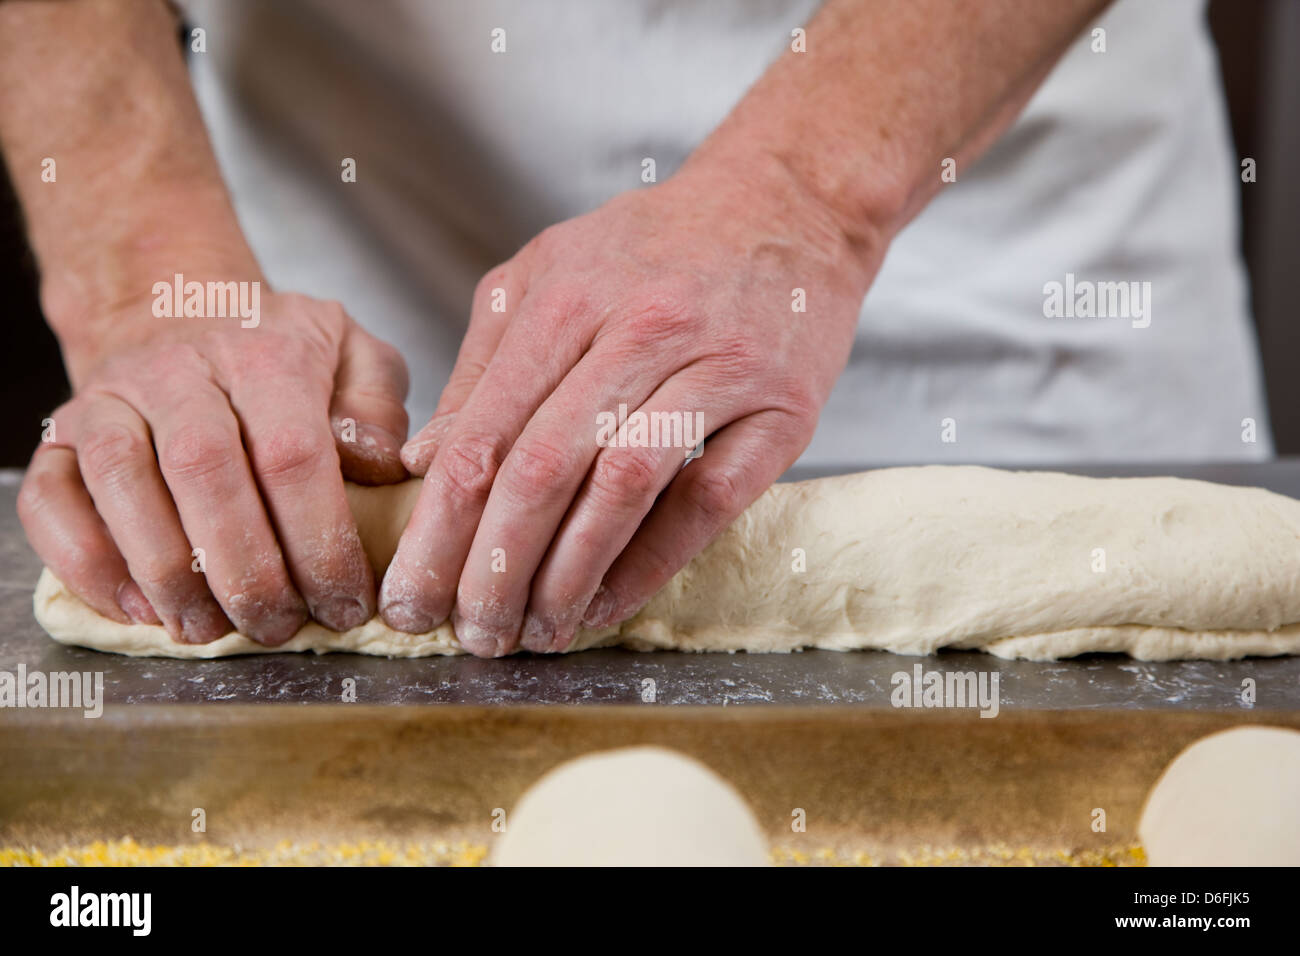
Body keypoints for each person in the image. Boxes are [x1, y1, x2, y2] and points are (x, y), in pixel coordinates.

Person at [3, 0, 1269, 658]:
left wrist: (812, 194)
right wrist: (145, 277)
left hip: (1003, 226)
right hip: (347, 240)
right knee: (265, 543)